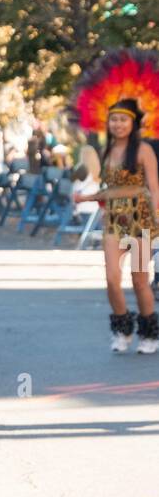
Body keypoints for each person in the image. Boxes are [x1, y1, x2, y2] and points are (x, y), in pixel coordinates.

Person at [95, 101, 159, 353]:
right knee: (111, 278)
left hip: (140, 221)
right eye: (114, 119)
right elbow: (108, 190)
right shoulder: (106, 151)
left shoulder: (143, 150)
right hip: (113, 222)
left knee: (140, 281)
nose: (118, 124)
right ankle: (122, 330)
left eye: (123, 120)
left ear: (132, 124)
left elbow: (154, 188)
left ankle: (149, 334)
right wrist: (86, 198)